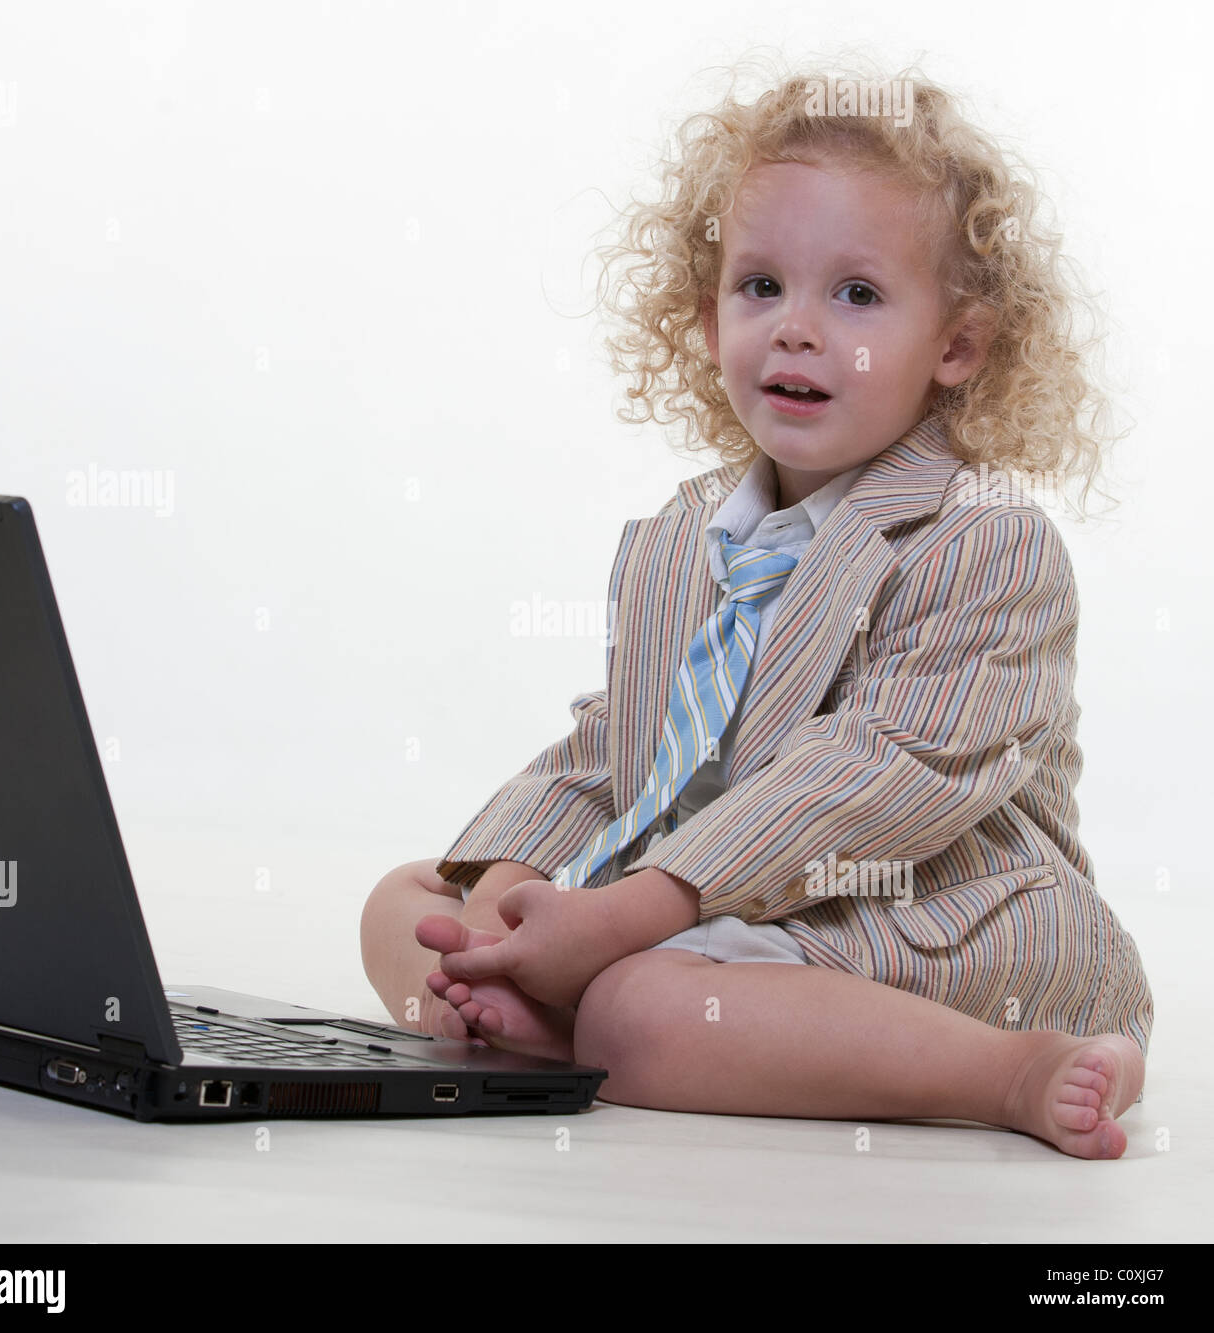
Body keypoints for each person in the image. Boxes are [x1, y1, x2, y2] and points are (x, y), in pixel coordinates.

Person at [359, 56, 1152, 1159]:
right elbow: (617, 749)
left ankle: (1010, 1071)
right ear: (707, 314)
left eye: (857, 295)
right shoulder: (684, 537)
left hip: (930, 914)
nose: (794, 328)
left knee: (642, 1008)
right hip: (710, 914)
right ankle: (523, 1011)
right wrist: (508, 889)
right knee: (405, 902)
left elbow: (872, 779)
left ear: (957, 345)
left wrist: (635, 911)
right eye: (760, 286)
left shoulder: (985, 539)